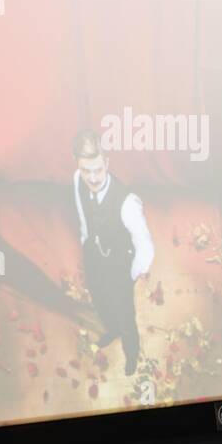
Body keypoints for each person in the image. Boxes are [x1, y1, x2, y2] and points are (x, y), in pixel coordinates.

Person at [71, 130, 154, 376]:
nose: (93, 178)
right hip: (93, 258)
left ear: (107, 162)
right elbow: (82, 212)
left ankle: (131, 352)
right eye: (87, 170)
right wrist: (86, 241)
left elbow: (146, 247)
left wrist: (131, 275)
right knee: (100, 300)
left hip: (119, 266)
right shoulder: (77, 179)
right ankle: (111, 329)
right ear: (78, 165)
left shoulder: (127, 202)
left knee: (125, 314)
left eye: (98, 169)